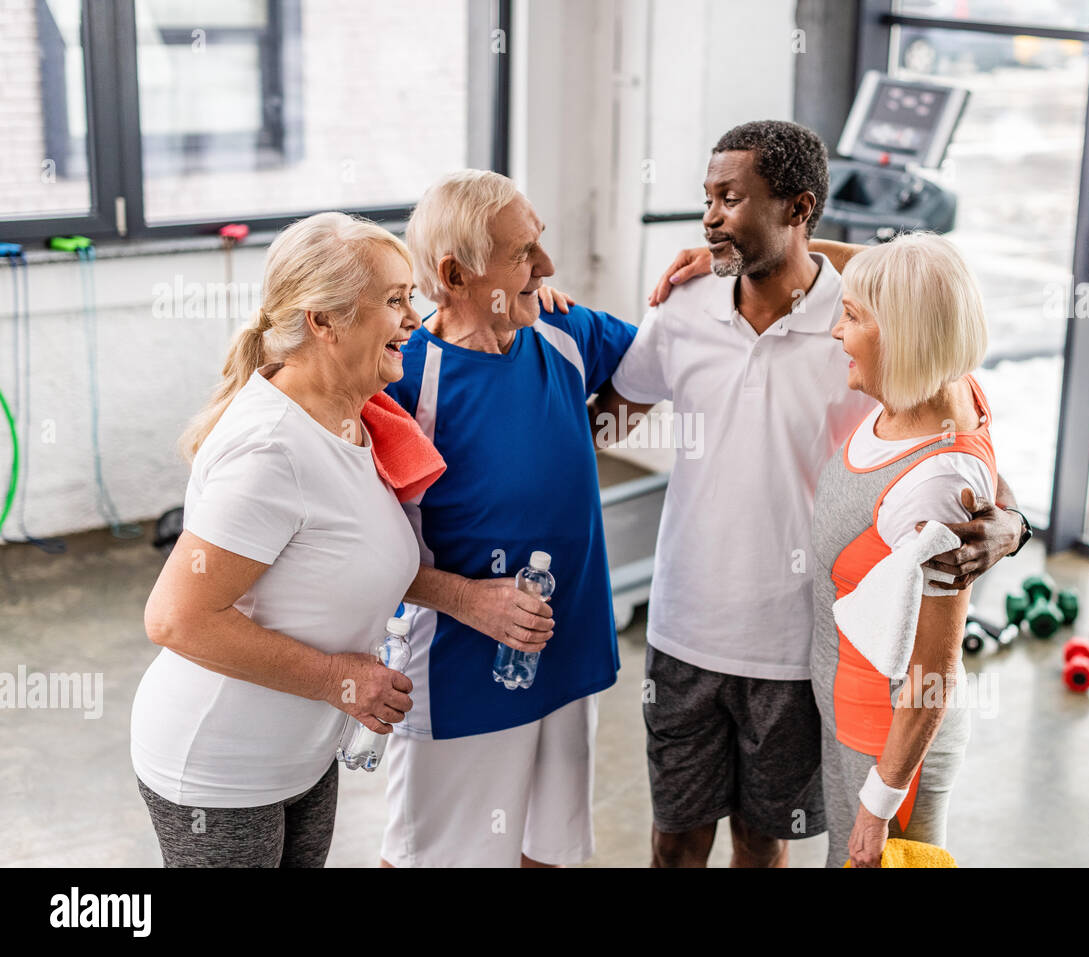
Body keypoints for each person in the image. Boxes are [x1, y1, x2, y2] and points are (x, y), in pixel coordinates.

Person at [594, 120, 1031, 867]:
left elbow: (951, 427)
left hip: (796, 649)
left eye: (731, 199)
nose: (710, 216)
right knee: (674, 842)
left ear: (798, 209)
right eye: (707, 198)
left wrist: (1011, 521)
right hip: (683, 632)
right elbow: (607, 417)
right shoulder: (686, 304)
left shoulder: (864, 323)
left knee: (763, 845)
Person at [131, 212, 435, 867]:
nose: (414, 318)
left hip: (300, 754)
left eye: (410, 296)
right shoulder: (271, 450)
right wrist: (338, 677)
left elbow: (342, 557)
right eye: (393, 300)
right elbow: (176, 618)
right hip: (219, 769)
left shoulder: (350, 417)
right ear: (325, 322)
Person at [383, 169, 638, 868]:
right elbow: (362, 555)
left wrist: (717, 272)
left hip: (568, 647)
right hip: (459, 664)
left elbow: (664, 363)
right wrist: (468, 599)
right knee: (430, 857)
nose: (548, 268)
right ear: (455, 272)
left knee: (551, 852)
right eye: (525, 253)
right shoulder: (402, 377)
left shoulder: (562, 330)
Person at [815, 232, 996, 868]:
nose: (837, 332)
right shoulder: (951, 390)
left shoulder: (937, 487)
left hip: (887, 743)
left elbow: (933, 672)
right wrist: (770, 245)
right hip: (845, 711)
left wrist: (880, 801)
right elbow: (902, 280)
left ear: (906, 335)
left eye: (854, 317)